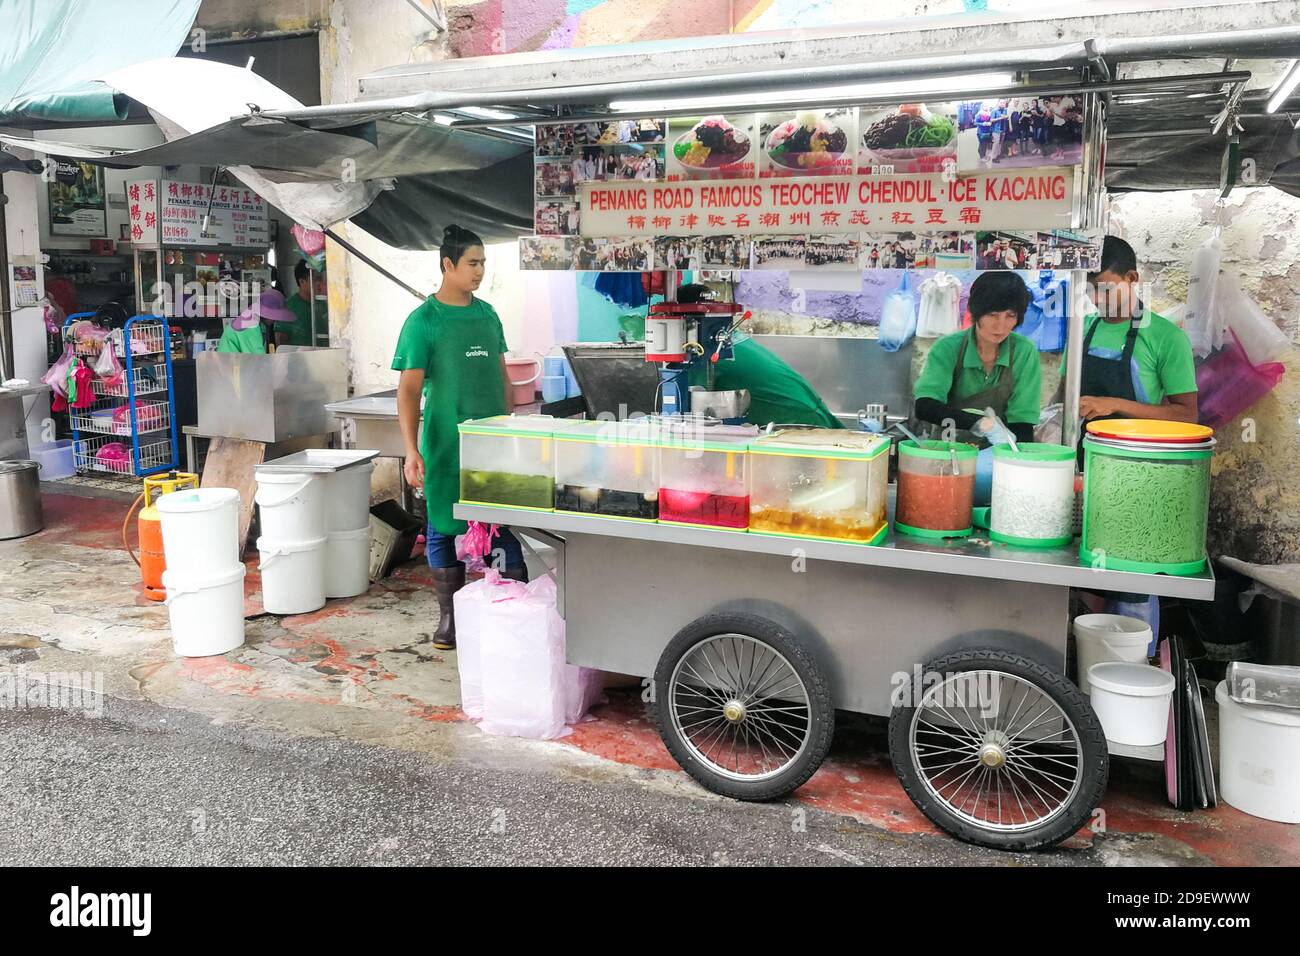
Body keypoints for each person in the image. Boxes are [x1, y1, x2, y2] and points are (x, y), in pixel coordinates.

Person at [392, 225, 524, 652]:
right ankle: (449, 617)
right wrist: (411, 450)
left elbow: (502, 377)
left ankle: (511, 605)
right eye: (472, 263)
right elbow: (409, 391)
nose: (480, 271)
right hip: (446, 443)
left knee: (501, 523)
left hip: (492, 442)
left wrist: (510, 427)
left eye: (483, 263)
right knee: (442, 526)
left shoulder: (488, 315)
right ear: (448, 265)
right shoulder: (423, 321)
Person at [1070, 235, 1198, 428]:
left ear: (1131, 278)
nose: (1095, 300)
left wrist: (1114, 404)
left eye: (1105, 289)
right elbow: (1063, 395)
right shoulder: (1080, 329)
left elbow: (1187, 415)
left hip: (1134, 453)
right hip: (1081, 451)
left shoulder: (1167, 337)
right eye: (1088, 290)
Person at [677, 284, 842, 429]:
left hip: (795, 427)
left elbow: (687, 405)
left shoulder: (709, 351)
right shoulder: (730, 339)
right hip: (811, 415)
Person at [913, 271, 1041, 446]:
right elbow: (925, 406)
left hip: (998, 453)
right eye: (993, 315)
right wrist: (981, 423)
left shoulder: (1024, 352)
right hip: (949, 449)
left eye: (1010, 316)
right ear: (976, 312)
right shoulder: (948, 348)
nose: (1001, 325)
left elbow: (1023, 421)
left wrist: (1016, 460)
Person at [215, 288, 295, 353]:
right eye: (274, 315)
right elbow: (257, 359)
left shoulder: (253, 318)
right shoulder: (250, 325)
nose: (275, 319)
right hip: (229, 368)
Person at [281, 259, 327, 347]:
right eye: (316, 279)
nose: (320, 283)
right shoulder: (288, 307)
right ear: (302, 282)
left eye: (321, 279)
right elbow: (281, 341)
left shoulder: (324, 305)